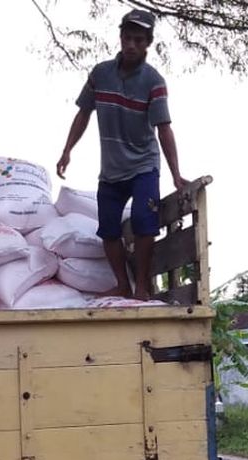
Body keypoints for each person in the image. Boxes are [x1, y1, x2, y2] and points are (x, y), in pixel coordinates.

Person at [56, 9, 187, 301]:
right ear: (120, 38)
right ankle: (122, 284)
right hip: (112, 169)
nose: (130, 45)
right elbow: (83, 113)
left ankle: (141, 285)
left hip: (143, 165)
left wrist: (176, 173)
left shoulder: (153, 82)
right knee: (108, 229)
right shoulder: (101, 74)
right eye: (127, 38)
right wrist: (67, 150)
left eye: (138, 40)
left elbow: (164, 129)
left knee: (144, 220)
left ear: (147, 44)